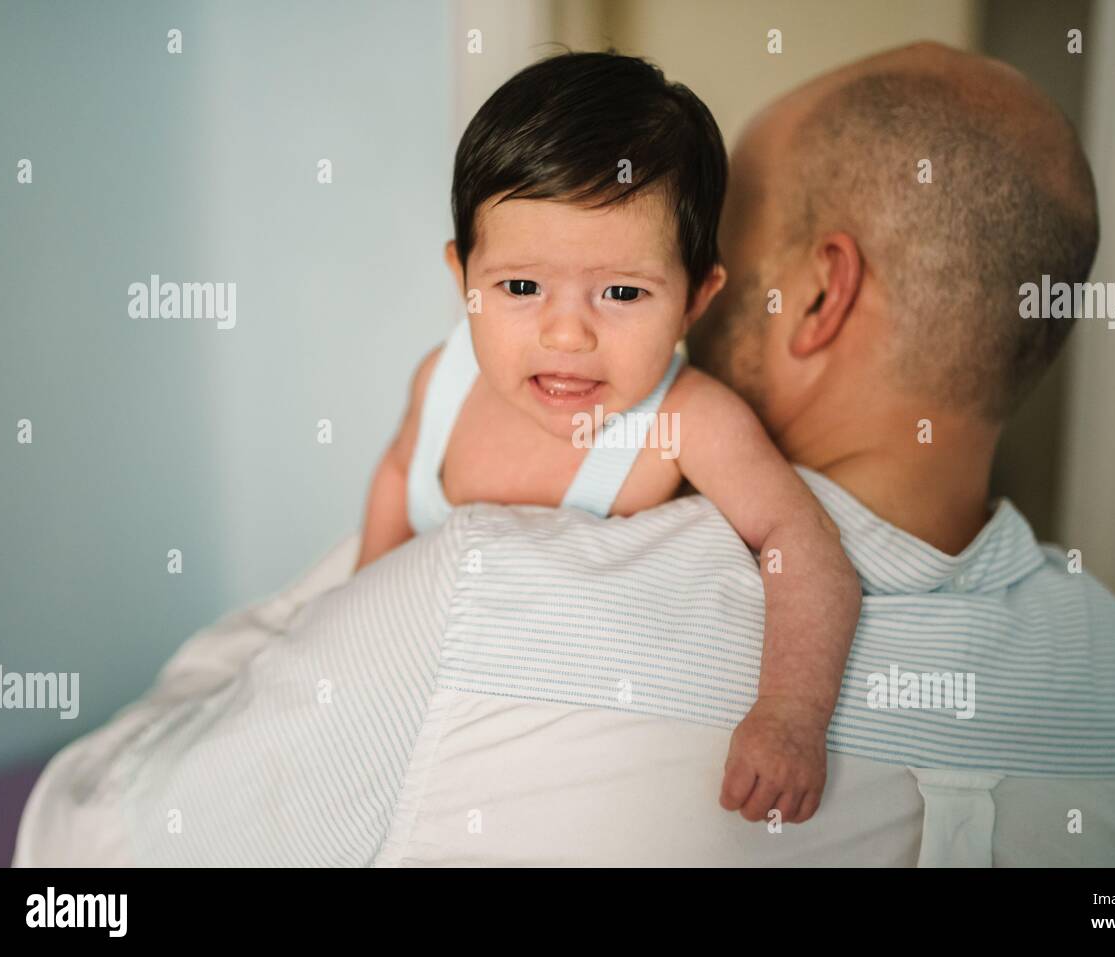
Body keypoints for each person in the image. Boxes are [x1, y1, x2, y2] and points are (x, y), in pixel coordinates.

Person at [15, 42, 1115, 867]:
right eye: (525, 281)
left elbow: (94, 859)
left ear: (812, 298)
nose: (571, 328)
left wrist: (334, 607)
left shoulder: (486, 594)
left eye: (674, 257)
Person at [353, 52, 859, 824]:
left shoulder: (684, 420)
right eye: (520, 287)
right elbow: (397, 474)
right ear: (465, 280)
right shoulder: (444, 376)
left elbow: (803, 539)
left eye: (622, 292)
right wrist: (357, 608)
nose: (566, 333)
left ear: (696, 299)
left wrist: (790, 712)